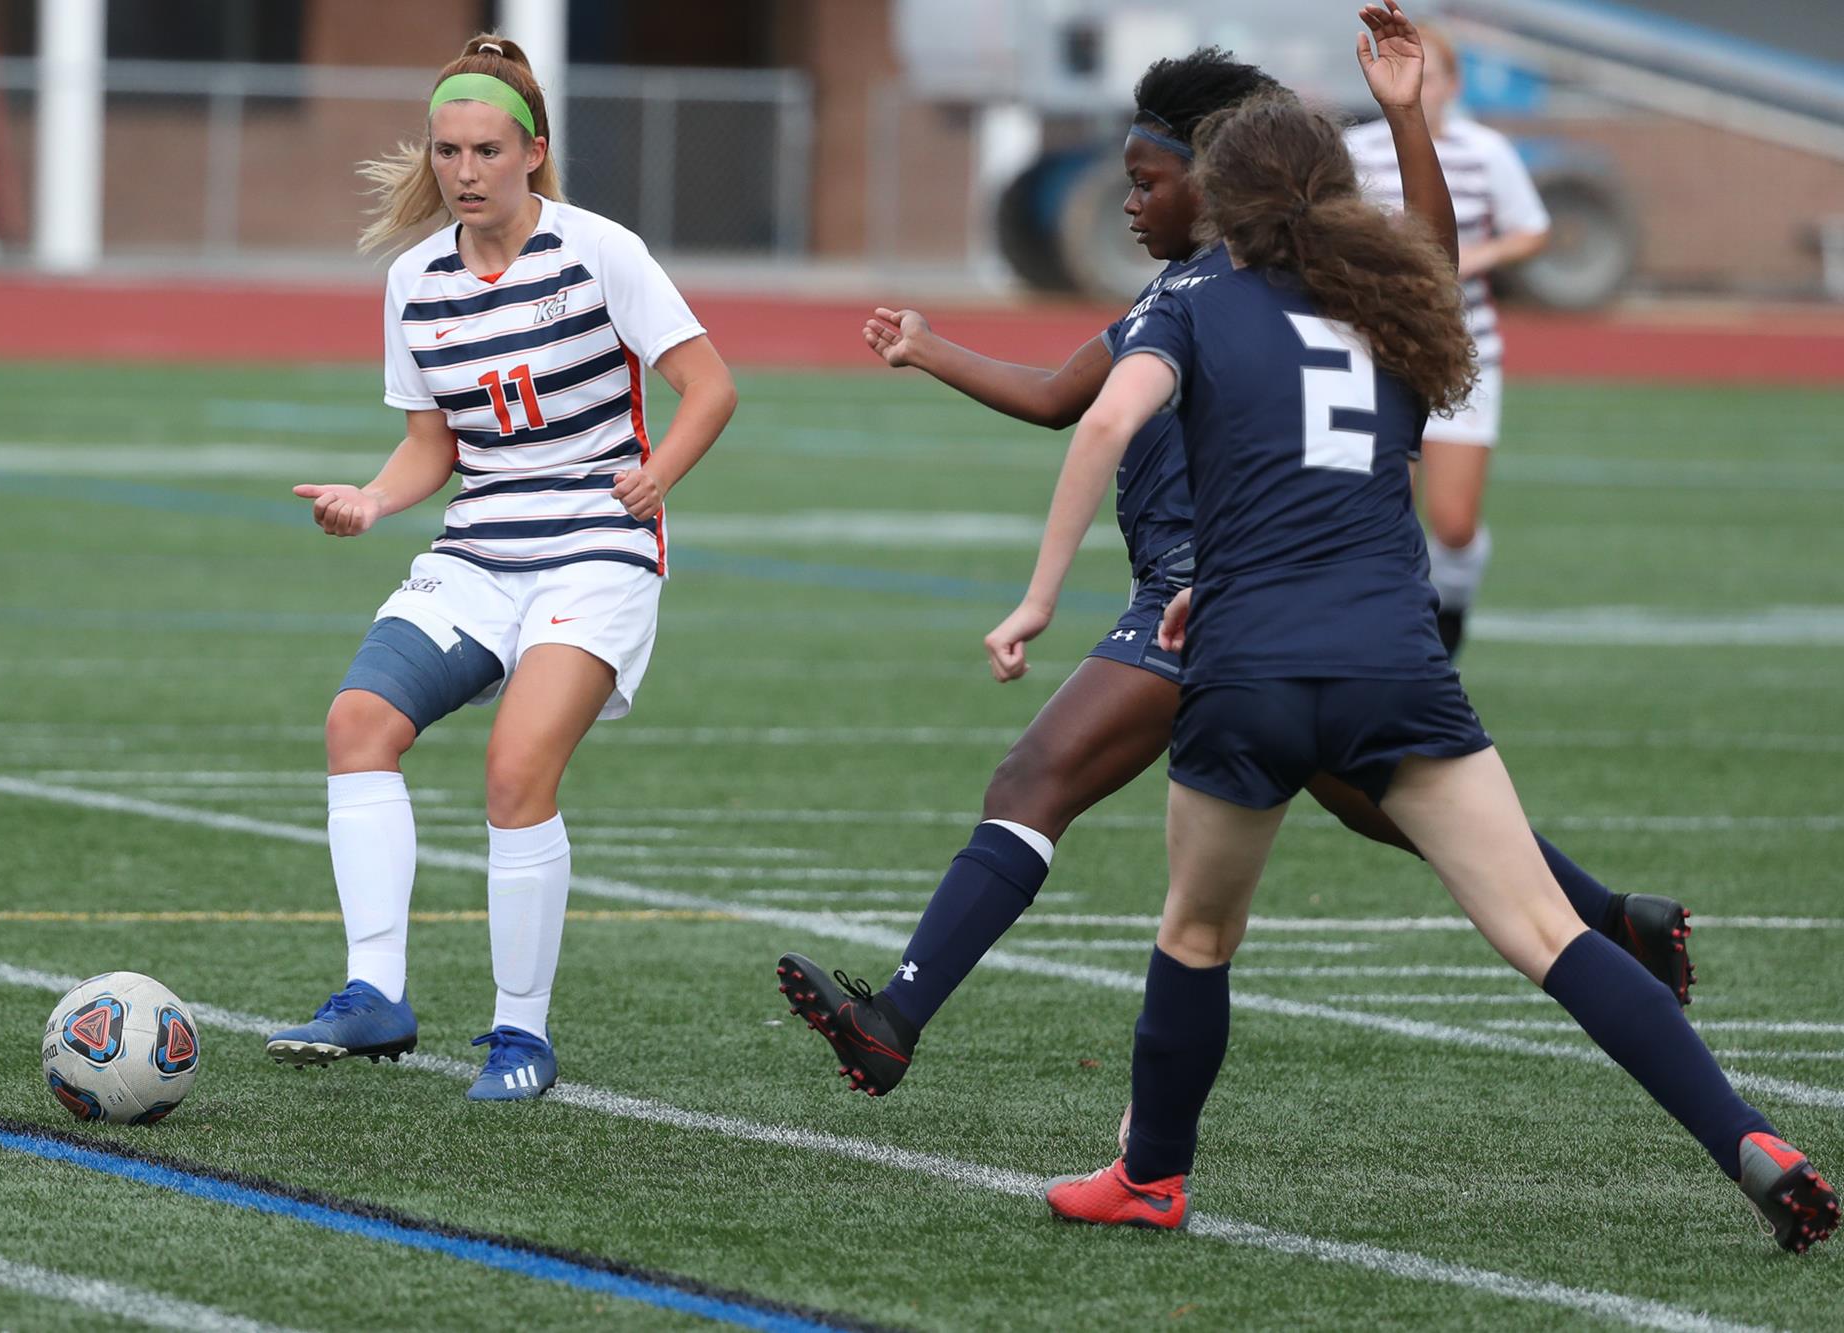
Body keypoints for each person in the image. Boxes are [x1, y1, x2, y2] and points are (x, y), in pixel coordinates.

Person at [985, 72, 1833, 1248]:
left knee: (1195, 936)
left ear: (1225, 200)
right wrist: (1406, 116)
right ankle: (1742, 1130)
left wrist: (1036, 597)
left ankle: (1150, 1175)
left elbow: (1104, 423)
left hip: (1246, 667)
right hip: (1394, 659)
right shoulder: (1391, 308)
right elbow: (1425, 256)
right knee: (1551, 933)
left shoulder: (1189, 302)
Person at [775, 12, 1686, 1106]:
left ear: (1211, 184)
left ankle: (894, 1020)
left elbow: (1410, 276)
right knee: (1385, 799)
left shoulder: (1227, 292)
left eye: (1146, 179)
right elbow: (1063, 397)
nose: (1127, 199)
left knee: (1035, 779)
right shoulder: (1192, 289)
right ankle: (1609, 918)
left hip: (1211, 595)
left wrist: (1036, 596)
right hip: (1289, 608)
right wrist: (928, 349)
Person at [265, 34, 737, 1102]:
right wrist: (374, 499)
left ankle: (519, 1038)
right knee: (357, 723)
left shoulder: (600, 250)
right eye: (446, 151)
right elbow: (434, 442)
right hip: (478, 551)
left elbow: (709, 387)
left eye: (484, 149)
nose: (463, 171)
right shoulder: (413, 281)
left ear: (532, 151)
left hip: (596, 551)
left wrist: (657, 473)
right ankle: (372, 994)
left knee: (516, 772)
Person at [1345, 24, 1549, 656]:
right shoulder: (1355, 151)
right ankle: (1391, 640)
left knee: (1453, 523)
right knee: (1384, 514)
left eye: (1433, 76)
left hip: (1466, 349)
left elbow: (1531, 229)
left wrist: (1471, 256)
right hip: (1374, 352)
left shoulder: (1486, 151)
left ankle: (1452, 606)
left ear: (1455, 86)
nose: (1422, 89)